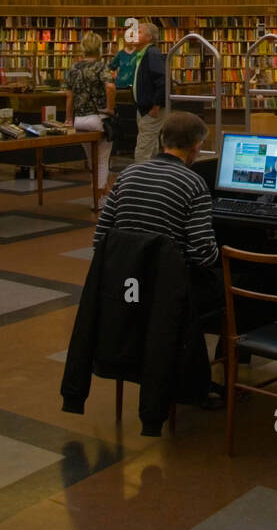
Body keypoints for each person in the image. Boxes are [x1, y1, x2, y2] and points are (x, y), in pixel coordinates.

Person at [93, 109, 223, 409]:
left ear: (162, 140)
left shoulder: (127, 175)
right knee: (232, 288)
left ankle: (177, 371)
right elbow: (203, 254)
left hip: (124, 289)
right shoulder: (193, 185)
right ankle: (201, 378)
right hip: (171, 294)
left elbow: (101, 239)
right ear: (196, 147)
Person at [64, 32, 116, 193]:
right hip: (98, 118)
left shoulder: (73, 68)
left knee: (91, 158)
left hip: (79, 120)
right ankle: (99, 194)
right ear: (99, 48)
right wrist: (110, 108)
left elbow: (69, 95)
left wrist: (68, 118)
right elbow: (110, 87)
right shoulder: (101, 66)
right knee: (102, 159)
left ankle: (102, 190)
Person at [131, 21, 167, 162]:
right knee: (150, 145)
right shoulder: (141, 54)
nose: (134, 35)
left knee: (143, 149)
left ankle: (139, 179)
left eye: (139, 32)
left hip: (151, 109)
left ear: (149, 37)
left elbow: (162, 80)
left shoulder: (152, 54)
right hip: (143, 108)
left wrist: (156, 105)